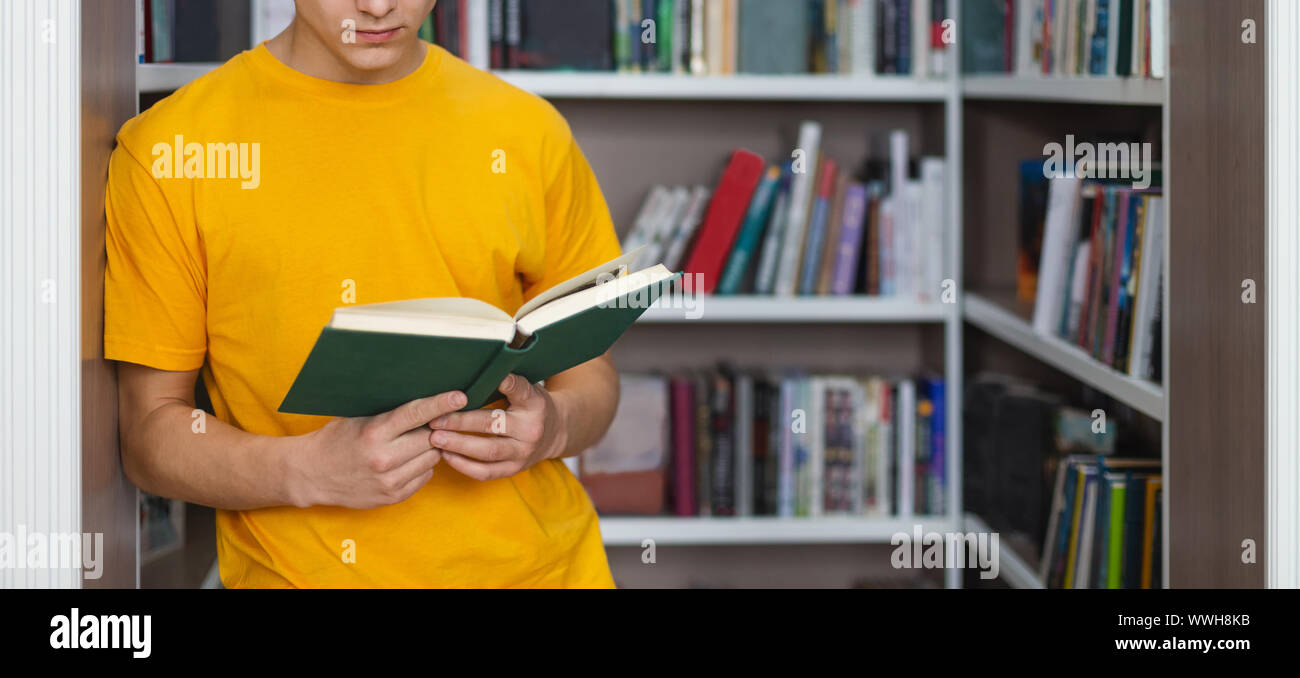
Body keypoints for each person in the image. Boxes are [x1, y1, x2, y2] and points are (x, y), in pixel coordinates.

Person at [106, 0, 621, 587]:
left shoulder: (529, 131)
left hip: (549, 571)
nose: (377, 6)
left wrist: (552, 428)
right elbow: (149, 433)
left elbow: (593, 377)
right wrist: (305, 471)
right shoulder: (171, 149)